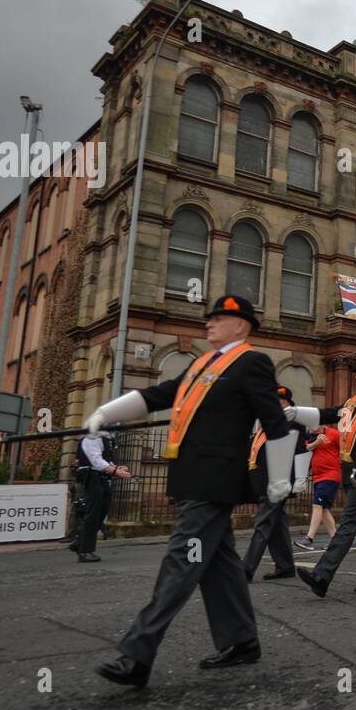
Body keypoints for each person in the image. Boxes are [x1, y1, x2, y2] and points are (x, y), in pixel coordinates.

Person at [88, 295, 296, 688]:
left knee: (180, 562)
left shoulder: (253, 362)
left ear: (242, 325)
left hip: (213, 482)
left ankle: (136, 655)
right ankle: (241, 641)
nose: (209, 323)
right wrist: (106, 413)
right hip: (193, 479)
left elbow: (275, 422)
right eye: (210, 317)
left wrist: (281, 477)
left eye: (220, 317)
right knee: (219, 564)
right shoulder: (203, 364)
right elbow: (159, 394)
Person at [288, 356, 356, 597]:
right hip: (352, 472)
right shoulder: (352, 402)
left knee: (348, 523)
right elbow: (329, 414)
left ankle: (322, 575)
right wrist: (298, 412)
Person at [242, 385, 304, 582]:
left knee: (263, 524)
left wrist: (300, 478)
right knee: (276, 524)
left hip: (278, 482)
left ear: (285, 403)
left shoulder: (290, 423)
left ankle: (245, 570)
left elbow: (300, 450)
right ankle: (285, 566)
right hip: (263, 482)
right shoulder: (266, 423)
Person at [74, 431, 131, 562]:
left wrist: (115, 467)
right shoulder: (93, 436)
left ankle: (79, 543)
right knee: (92, 513)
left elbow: (104, 460)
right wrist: (115, 471)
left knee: (102, 510)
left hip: (101, 477)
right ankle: (85, 551)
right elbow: (95, 460)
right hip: (92, 477)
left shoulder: (106, 438)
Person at [294, 424, 341, 550]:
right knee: (324, 509)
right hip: (317, 477)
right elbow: (306, 448)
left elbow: (343, 450)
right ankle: (336, 540)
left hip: (331, 475)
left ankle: (309, 538)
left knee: (317, 505)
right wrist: (318, 441)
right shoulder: (310, 436)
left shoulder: (334, 433)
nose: (311, 428)